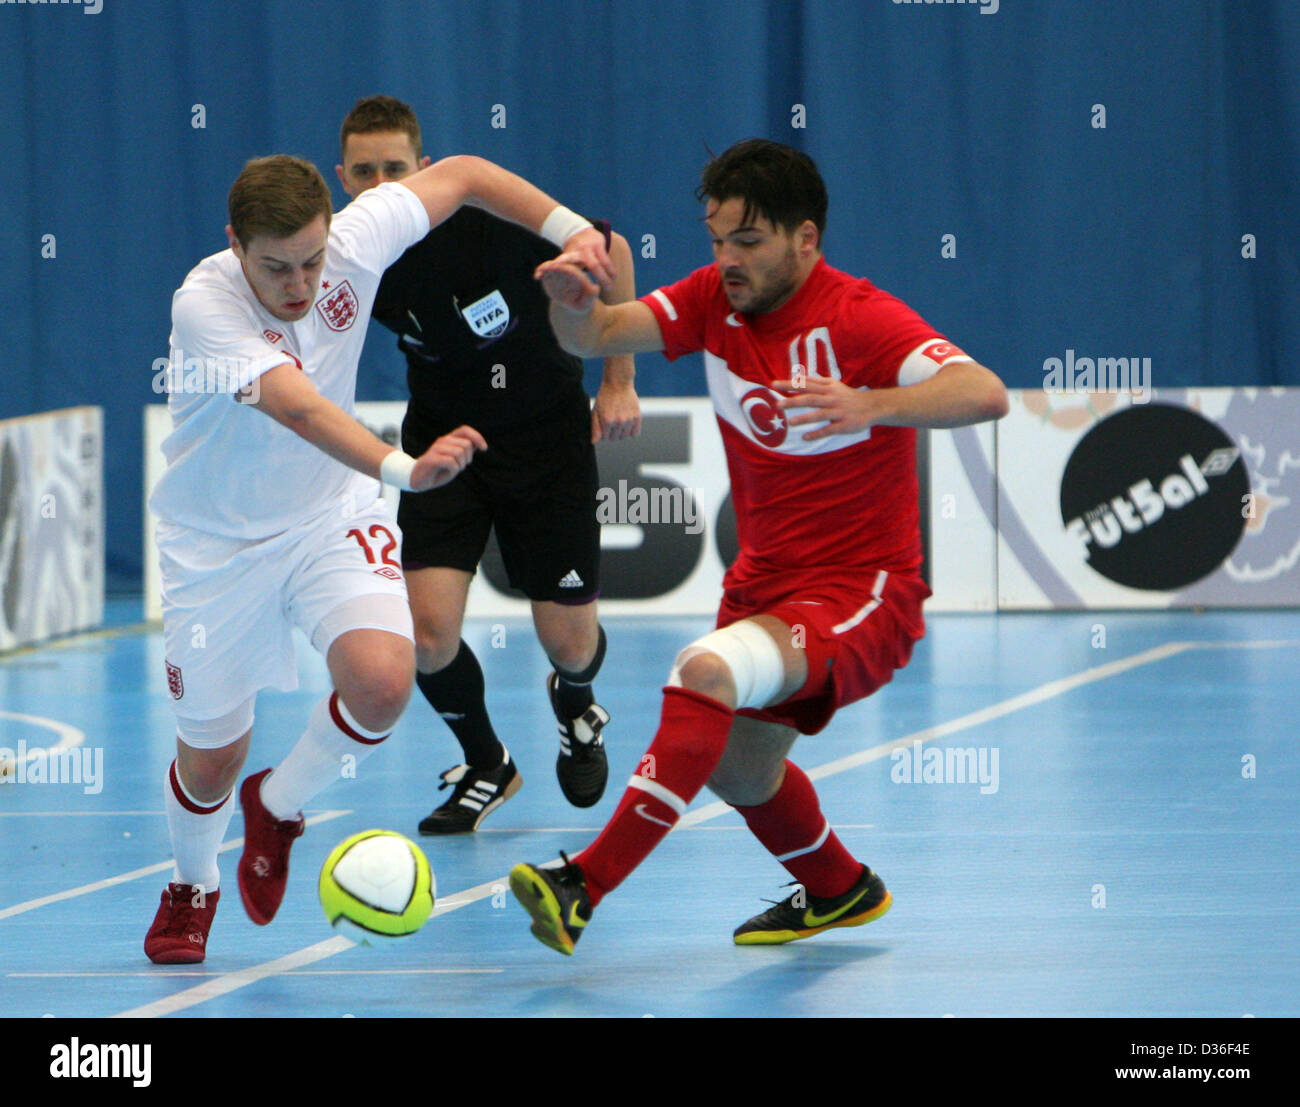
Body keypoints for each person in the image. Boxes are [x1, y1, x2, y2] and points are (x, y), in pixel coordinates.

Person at [510, 138, 1009, 954]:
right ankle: (840, 887)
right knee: (740, 769)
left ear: (805, 239)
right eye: (715, 241)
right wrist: (570, 300)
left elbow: (983, 392)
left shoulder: (861, 316)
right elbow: (596, 335)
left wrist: (870, 403)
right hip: (762, 585)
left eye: (748, 242)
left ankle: (581, 885)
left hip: (862, 592)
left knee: (704, 669)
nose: (727, 261)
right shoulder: (714, 299)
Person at [144, 149, 614, 963]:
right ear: (235, 243)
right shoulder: (203, 302)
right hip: (215, 545)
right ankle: (192, 882)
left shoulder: (357, 243)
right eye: (276, 266)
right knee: (211, 757)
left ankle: (279, 807)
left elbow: (463, 173)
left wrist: (574, 233)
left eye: (313, 260)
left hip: (328, 515)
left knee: (385, 682)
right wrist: (403, 467)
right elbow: (295, 406)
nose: (300, 284)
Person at [334, 96, 641, 834]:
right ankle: (487, 760)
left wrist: (619, 379)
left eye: (396, 169)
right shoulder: (346, 255)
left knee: (569, 644)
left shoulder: (487, 224)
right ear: (343, 178)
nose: (381, 185)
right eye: (365, 171)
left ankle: (575, 700)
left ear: (425, 170)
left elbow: (615, 250)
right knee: (426, 636)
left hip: (547, 441)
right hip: (446, 445)